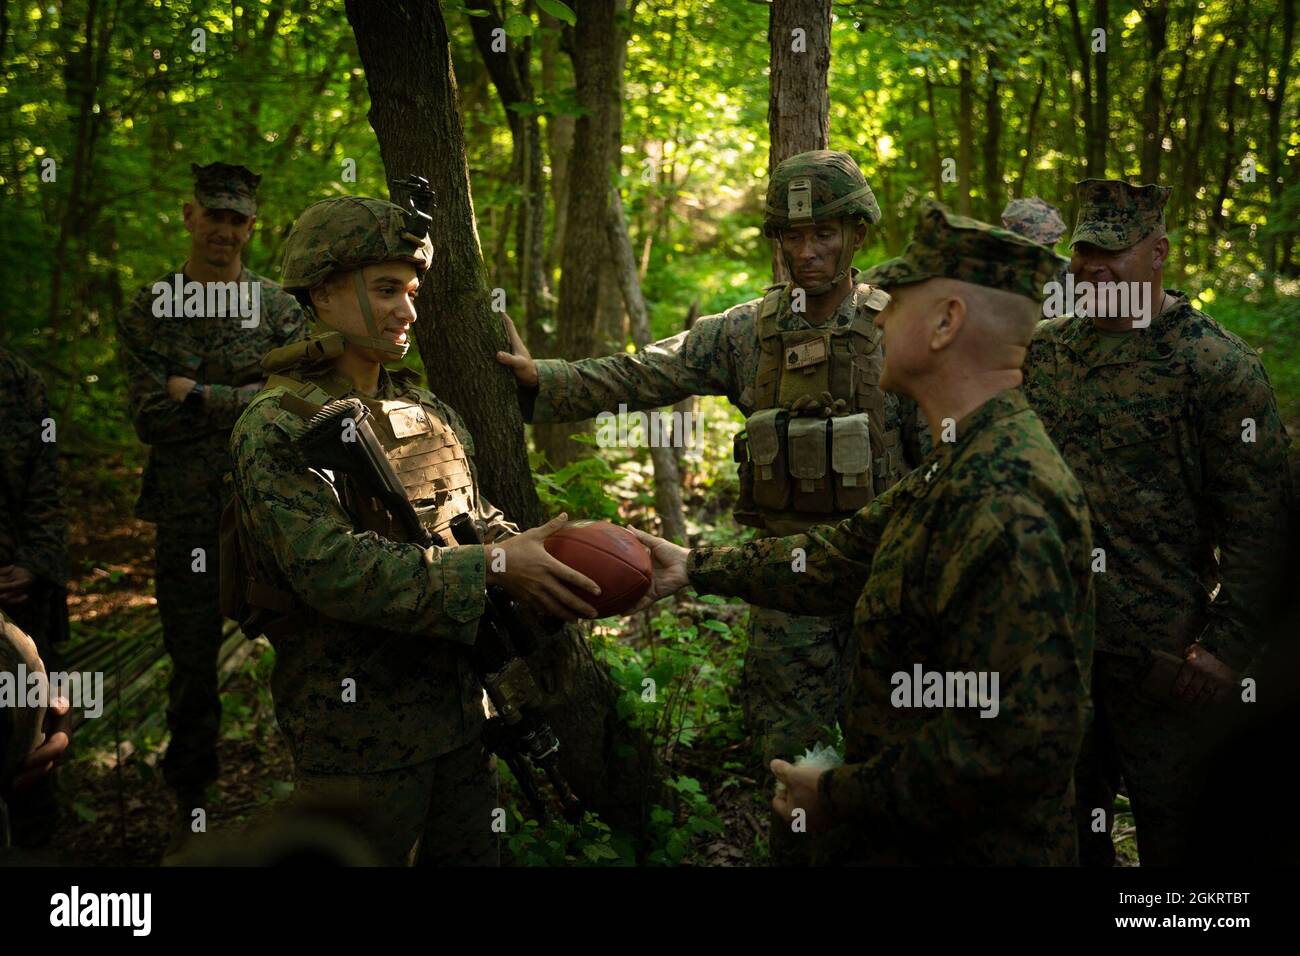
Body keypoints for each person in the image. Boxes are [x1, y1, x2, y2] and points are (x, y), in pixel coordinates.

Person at [631, 201, 1095, 864]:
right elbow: (834, 559)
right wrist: (693, 567)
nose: (876, 314)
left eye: (896, 301)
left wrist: (840, 796)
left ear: (945, 324)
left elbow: (1004, 749)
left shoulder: (1008, 500)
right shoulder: (959, 466)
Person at [496, 150, 926, 864]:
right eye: (791, 236)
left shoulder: (898, 327)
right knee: (794, 774)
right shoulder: (744, 332)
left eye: (824, 233)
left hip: (893, 589)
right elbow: (646, 370)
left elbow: (946, 455)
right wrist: (547, 381)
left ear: (857, 233)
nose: (806, 251)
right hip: (786, 595)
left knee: (900, 771)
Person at [226, 192, 600, 865]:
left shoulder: (421, 406)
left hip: (462, 715)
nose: (409, 309)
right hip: (358, 738)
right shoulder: (275, 424)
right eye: (386, 289)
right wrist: (494, 567)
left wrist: (537, 555)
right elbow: (333, 573)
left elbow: (471, 520)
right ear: (324, 293)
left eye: (413, 289)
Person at [1021, 179, 1293, 865]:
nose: (1093, 267)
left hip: (1167, 664)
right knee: (1065, 835)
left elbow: (1264, 524)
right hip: (1059, 647)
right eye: (1084, 251)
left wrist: (1228, 647)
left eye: (1112, 251)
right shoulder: (1047, 355)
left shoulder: (1216, 366)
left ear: (1158, 253)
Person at [115, 162, 309, 839]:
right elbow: (148, 417)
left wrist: (196, 392)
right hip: (186, 513)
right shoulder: (150, 306)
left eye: (237, 219)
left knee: (303, 646)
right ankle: (191, 804)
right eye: (213, 214)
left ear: (251, 227)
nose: (224, 229)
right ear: (189, 216)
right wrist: (242, 400)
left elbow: (289, 408)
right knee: (192, 664)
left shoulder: (280, 308)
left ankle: (311, 794)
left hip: (268, 510)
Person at [0, 348, 70, 846]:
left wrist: (35, 562)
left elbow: (46, 485)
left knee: (33, 752)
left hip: (22, 604)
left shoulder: (18, 378)